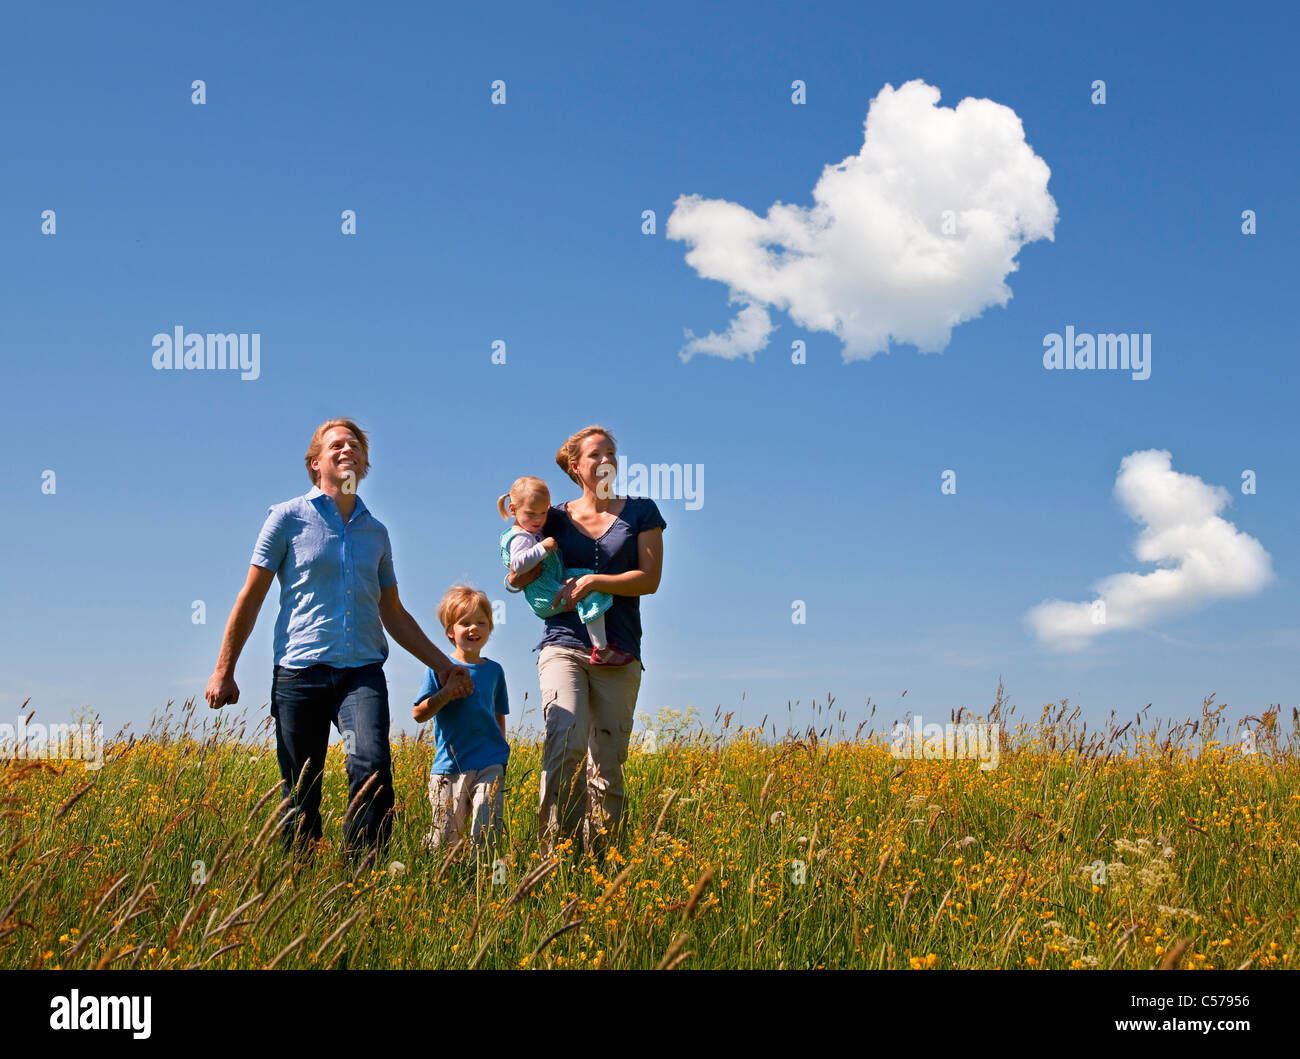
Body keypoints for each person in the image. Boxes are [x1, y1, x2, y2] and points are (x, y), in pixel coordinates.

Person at [204, 418, 472, 859]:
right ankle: (299, 882)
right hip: (298, 672)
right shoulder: (286, 518)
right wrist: (224, 669)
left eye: (354, 445)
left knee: (372, 766)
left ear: (364, 463)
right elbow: (251, 597)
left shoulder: (377, 533)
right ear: (316, 463)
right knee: (301, 789)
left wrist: (443, 664)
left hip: (361, 674)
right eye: (336, 444)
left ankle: (359, 882)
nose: (346, 448)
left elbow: (393, 613)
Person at [506, 425, 665, 856]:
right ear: (576, 467)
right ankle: (557, 855)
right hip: (563, 643)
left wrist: (595, 579)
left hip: (619, 649)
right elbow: (516, 573)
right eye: (595, 454)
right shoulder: (553, 517)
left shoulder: (642, 512)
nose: (605, 460)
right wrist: (518, 574)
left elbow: (649, 580)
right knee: (566, 738)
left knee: (607, 762)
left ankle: (606, 860)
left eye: (611, 452)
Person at [412, 585, 510, 857]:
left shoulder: (494, 671)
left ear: (490, 629)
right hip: (449, 767)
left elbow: (498, 713)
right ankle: (447, 886)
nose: (473, 628)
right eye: (464, 623)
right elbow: (419, 713)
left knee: (486, 833)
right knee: (445, 840)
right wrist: (445, 694)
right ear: (449, 631)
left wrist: (501, 754)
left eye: (481, 622)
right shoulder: (438, 668)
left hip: (490, 763)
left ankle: (488, 884)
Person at [497, 475, 633, 666]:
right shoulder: (520, 537)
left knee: (589, 579)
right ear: (513, 509)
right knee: (591, 591)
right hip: (545, 595)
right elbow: (518, 565)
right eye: (531, 514)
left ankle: (600, 645)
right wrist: (543, 547)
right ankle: (601, 649)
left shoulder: (531, 531)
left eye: (543, 513)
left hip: (553, 581)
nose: (538, 520)